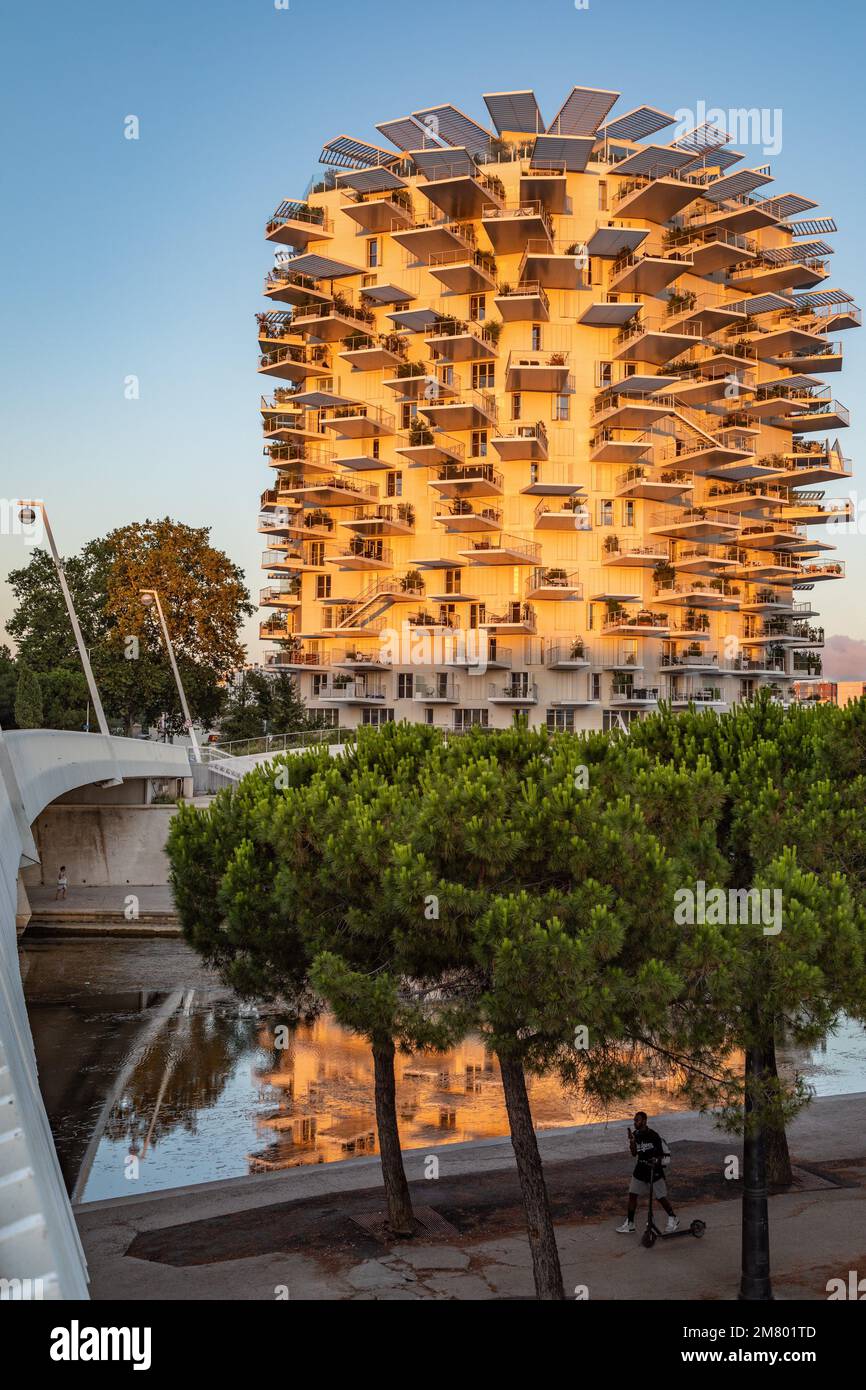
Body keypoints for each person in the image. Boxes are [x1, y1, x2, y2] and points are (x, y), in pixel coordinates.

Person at [616, 1111, 679, 1234]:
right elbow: (634, 1153)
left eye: (637, 1120)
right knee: (632, 1195)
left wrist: (655, 1160)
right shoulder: (635, 1134)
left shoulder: (654, 1135)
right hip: (640, 1169)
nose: (635, 1123)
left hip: (654, 1171)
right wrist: (632, 1141)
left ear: (644, 1121)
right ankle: (630, 1223)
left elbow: (661, 1155)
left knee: (661, 1197)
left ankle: (673, 1217)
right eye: (634, 1121)